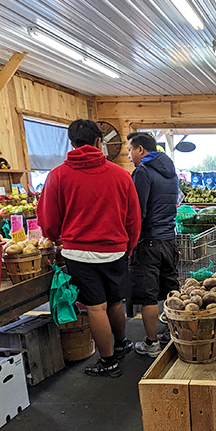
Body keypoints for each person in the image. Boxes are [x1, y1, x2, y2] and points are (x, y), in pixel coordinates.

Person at [37, 119, 141, 377]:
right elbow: (134, 218)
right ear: (99, 142)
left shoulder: (58, 175)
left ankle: (108, 362)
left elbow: (48, 220)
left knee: (96, 307)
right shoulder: (121, 175)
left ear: (71, 144)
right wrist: (129, 246)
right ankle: (121, 344)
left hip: (78, 252)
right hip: (116, 249)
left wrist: (56, 237)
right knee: (116, 300)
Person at [126, 132, 180, 358]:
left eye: (129, 150)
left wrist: (130, 242)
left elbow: (138, 212)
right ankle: (175, 331)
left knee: (148, 296)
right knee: (171, 289)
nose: (129, 156)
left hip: (148, 241)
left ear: (140, 149)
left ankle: (152, 343)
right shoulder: (171, 172)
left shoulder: (143, 172)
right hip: (169, 239)